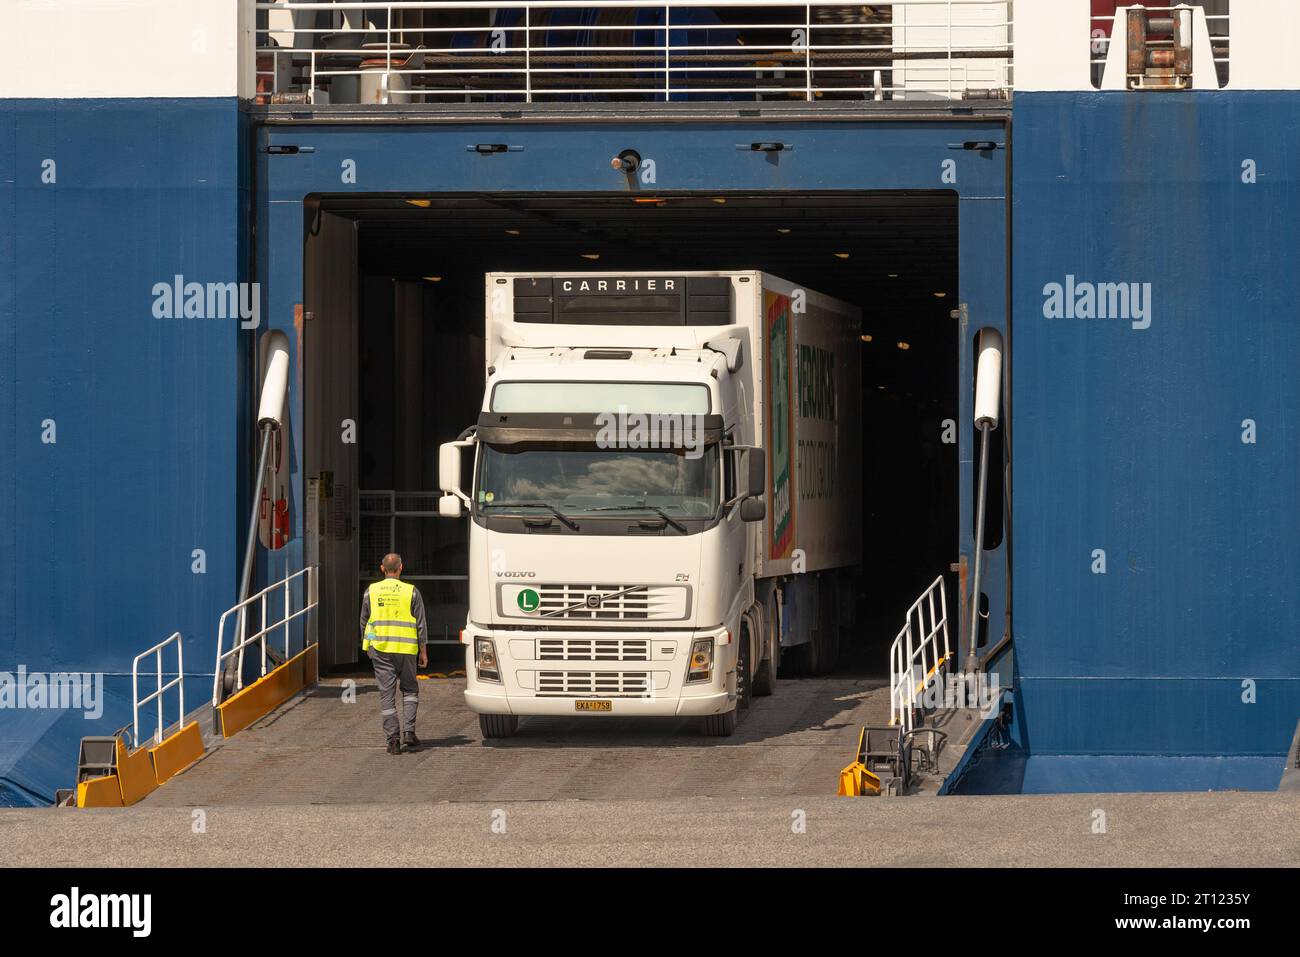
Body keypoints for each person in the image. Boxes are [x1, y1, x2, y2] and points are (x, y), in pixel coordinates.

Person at [360, 553, 428, 754]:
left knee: (387, 695)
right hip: (407, 650)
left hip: (381, 650)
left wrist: (369, 646)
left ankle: (393, 740)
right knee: (410, 690)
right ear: (401, 568)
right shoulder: (412, 592)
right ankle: (409, 732)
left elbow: (364, 622)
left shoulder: (371, 592)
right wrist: (423, 651)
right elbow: (420, 624)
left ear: (382, 568)